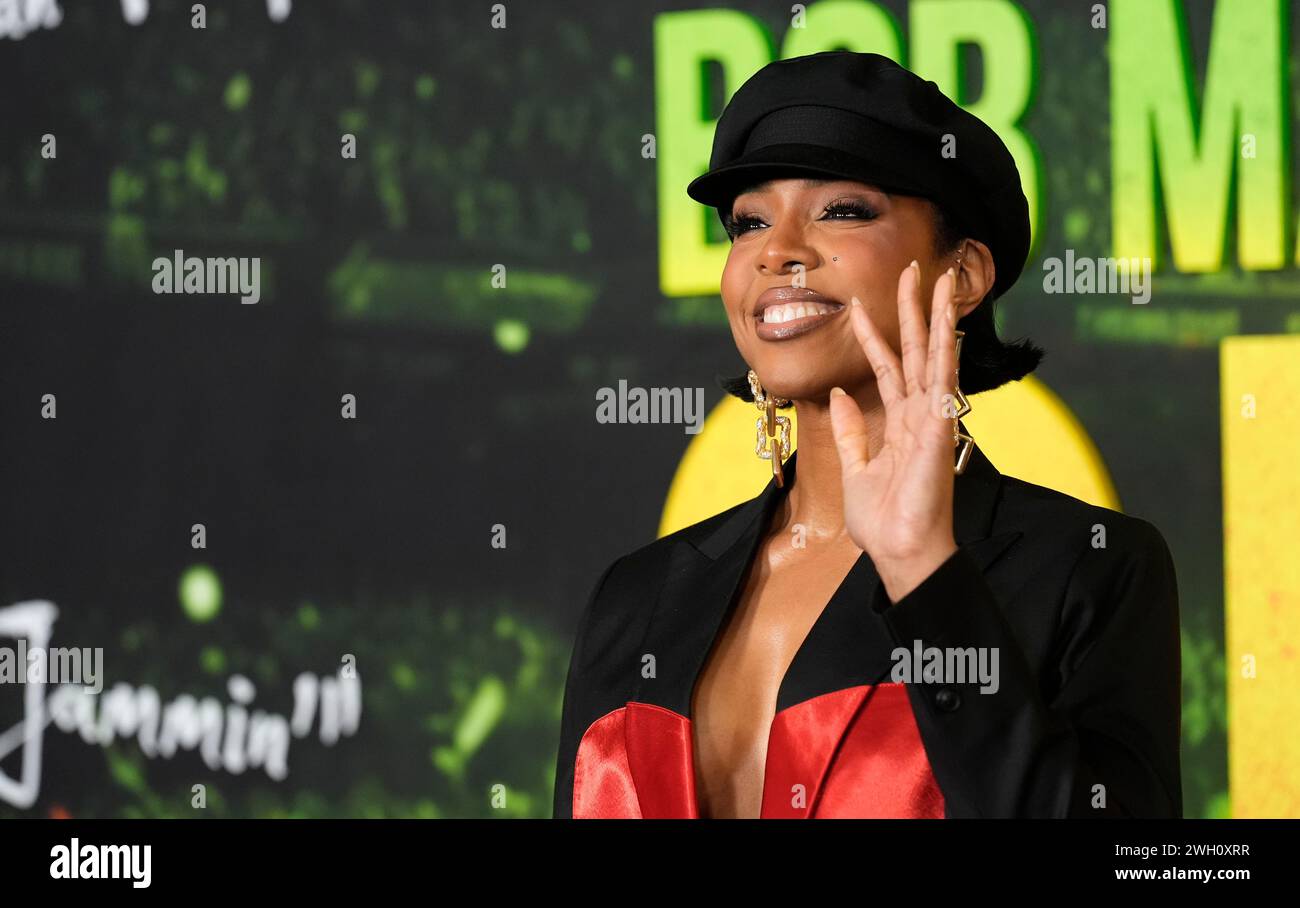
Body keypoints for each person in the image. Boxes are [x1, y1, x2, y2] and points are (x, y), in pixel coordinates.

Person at [553, 51, 1181, 818]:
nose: (775, 250)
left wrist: (924, 573)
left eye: (842, 210)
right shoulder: (636, 595)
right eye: (748, 222)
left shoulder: (1089, 570)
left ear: (965, 276)